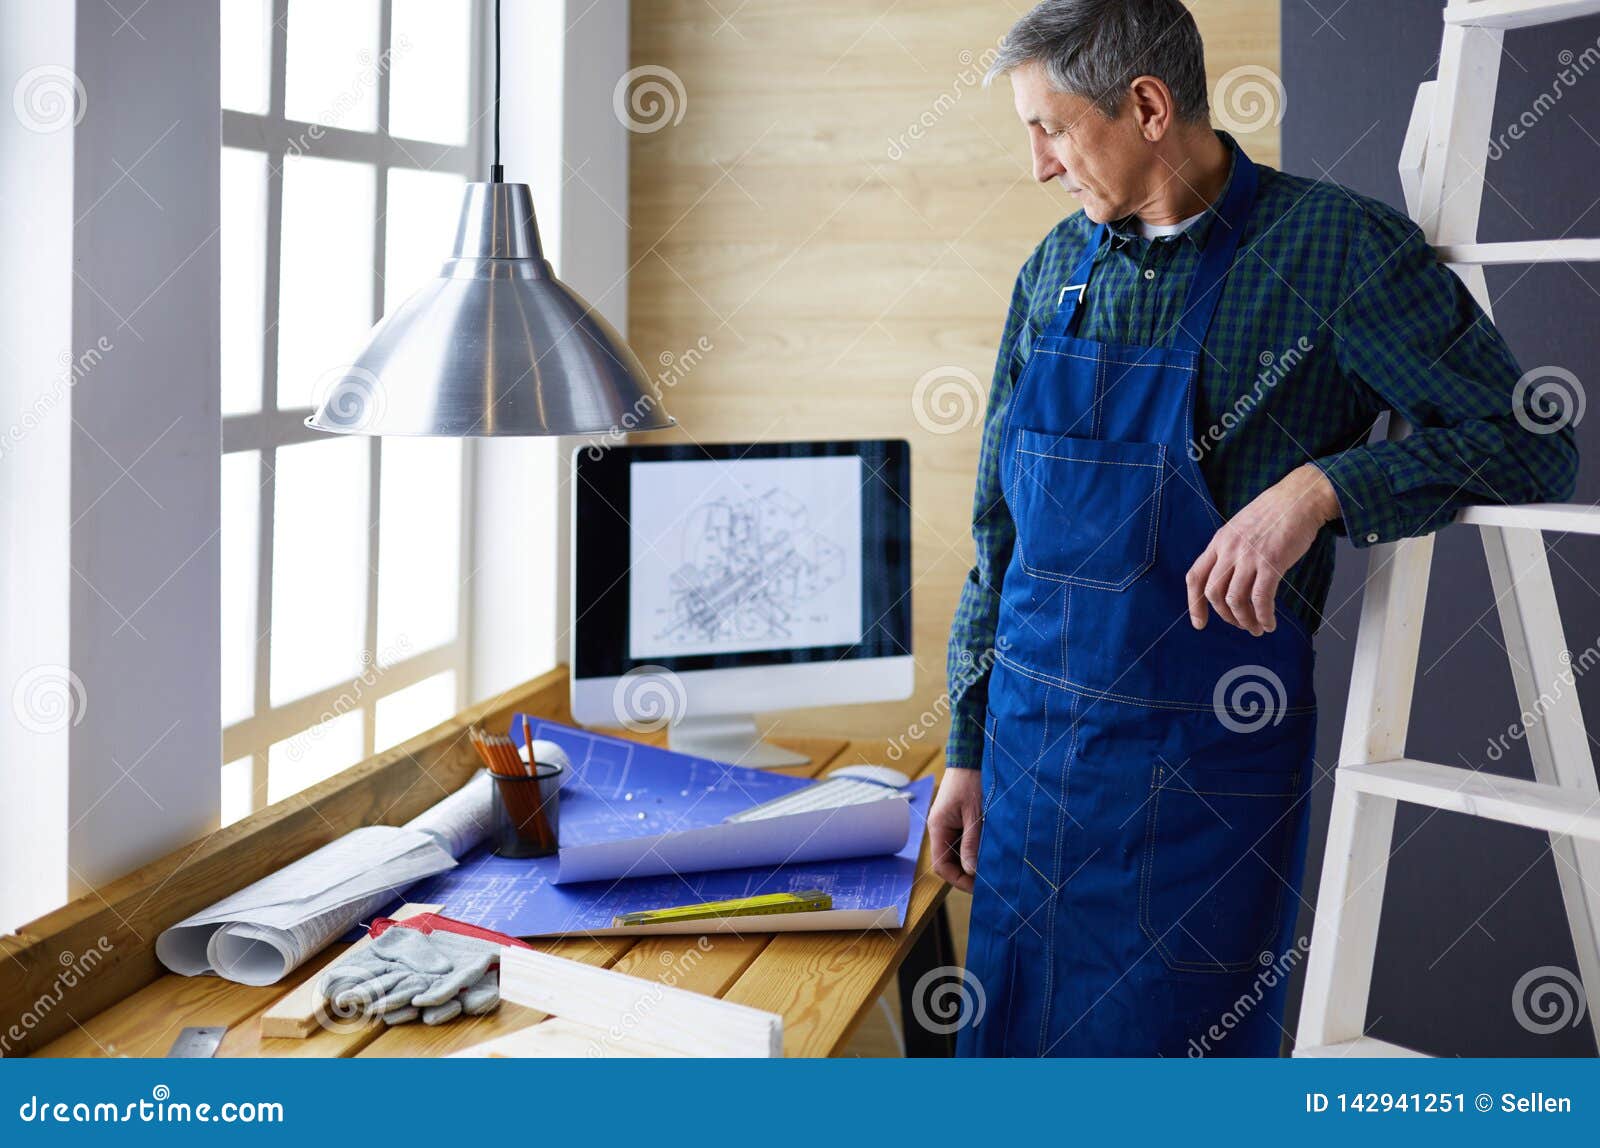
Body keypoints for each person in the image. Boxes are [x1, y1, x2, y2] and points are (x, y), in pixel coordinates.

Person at [929, 0, 1578, 1057]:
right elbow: (998, 534)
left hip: (1191, 801)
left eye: (1050, 128)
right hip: (1028, 783)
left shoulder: (1329, 250)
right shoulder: (1055, 271)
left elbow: (1527, 438)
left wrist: (1321, 486)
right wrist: (964, 746)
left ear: (1146, 105)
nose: (1039, 166)